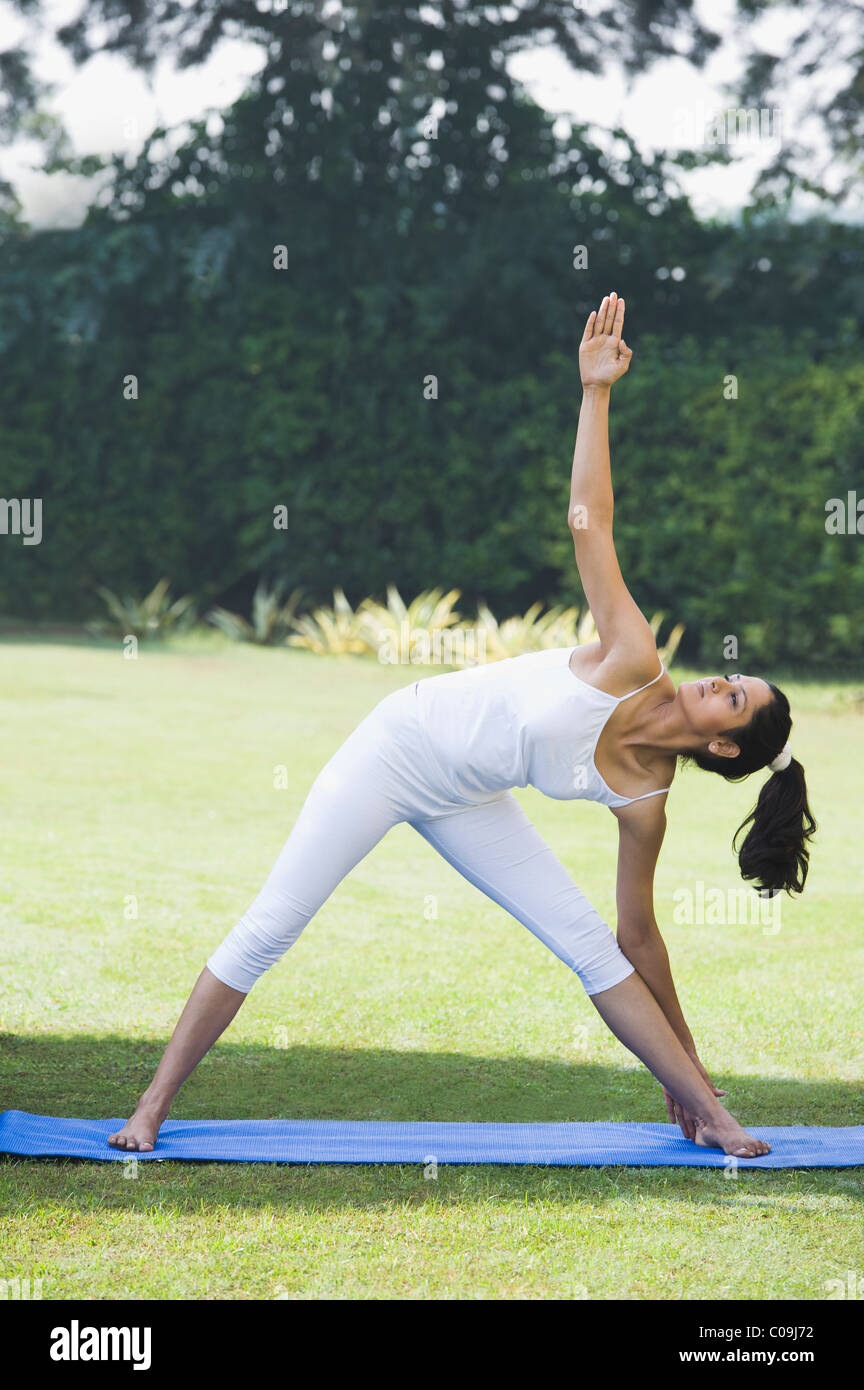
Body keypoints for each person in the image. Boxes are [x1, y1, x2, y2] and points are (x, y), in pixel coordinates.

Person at [108, 292, 815, 1158]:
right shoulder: (634, 657)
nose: (716, 681)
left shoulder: (646, 800)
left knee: (593, 950)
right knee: (273, 925)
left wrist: (694, 1079)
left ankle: (716, 1118)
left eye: (732, 699)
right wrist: (595, 394)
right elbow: (590, 522)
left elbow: (639, 939)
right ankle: (149, 1108)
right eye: (731, 678)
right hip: (395, 748)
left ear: (721, 746)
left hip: (470, 796)